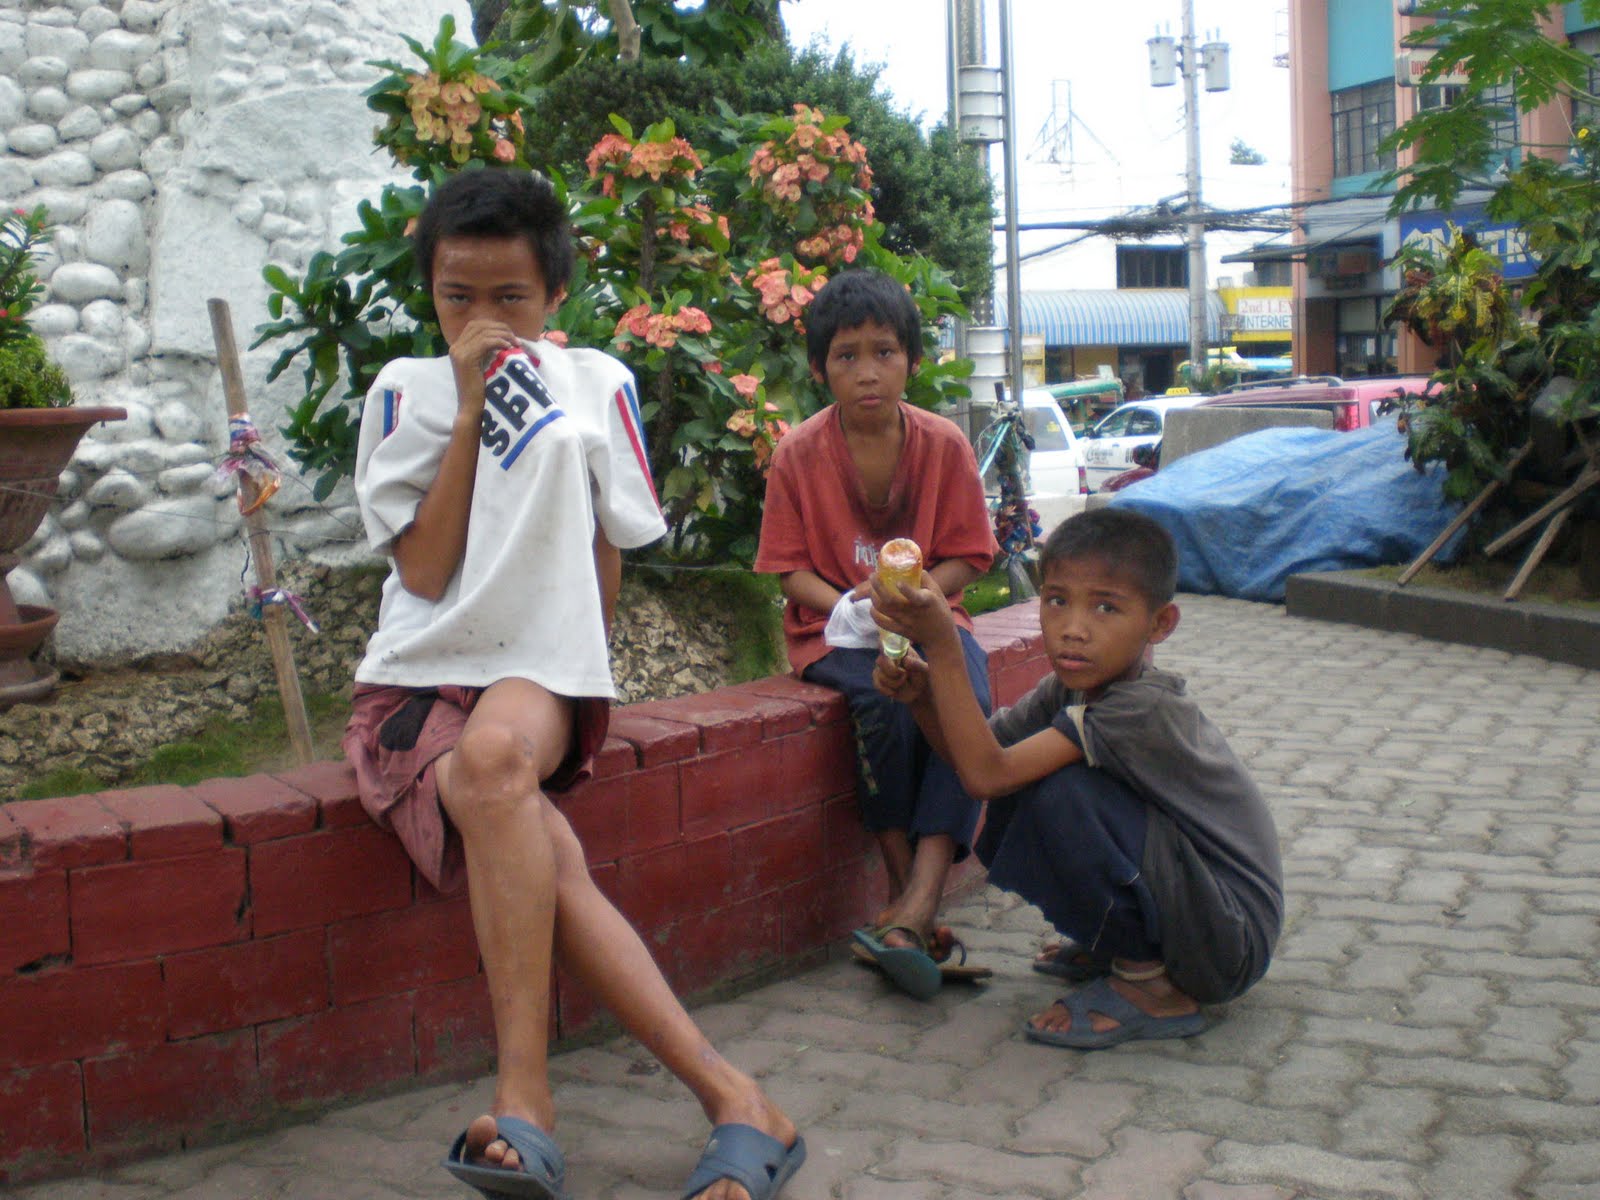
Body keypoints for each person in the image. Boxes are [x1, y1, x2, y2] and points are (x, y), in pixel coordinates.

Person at [342, 167, 804, 1200]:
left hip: (541, 671)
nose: (481, 317)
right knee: (529, 830)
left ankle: (525, 1097)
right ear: (430, 292)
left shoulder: (598, 380)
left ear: (554, 294)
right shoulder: (402, 393)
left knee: (500, 756)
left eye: (508, 295)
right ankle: (737, 1100)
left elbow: (609, 543)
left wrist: (584, 663)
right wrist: (467, 411)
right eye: (457, 294)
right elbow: (420, 572)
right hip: (419, 677)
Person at [869, 508, 1283, 1048]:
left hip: (1228, 940)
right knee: (1031, 792)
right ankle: (1122, 947)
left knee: (1062, 795)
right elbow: (983, 755)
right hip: (1196, 911)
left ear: (1159, 624)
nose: (1073, 629)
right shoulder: (1070, 690)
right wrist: (925, 697)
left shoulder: (1142, 708)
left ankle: (1152, 988)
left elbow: (985, 776)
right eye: (1057, 600)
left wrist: (943, 642)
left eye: (1107, 607)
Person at [753, 268, 999, 1001]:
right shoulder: (798, 453)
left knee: (963, 702)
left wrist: (919, 600)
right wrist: (851, 608)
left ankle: (913, 908)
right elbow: (786, 570)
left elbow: (968, 554)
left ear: (913, 361)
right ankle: (907, 906)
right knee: (887, 709)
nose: (867, 373)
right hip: (833, 635)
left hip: (931, 621)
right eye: (846, 355)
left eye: (885, 352)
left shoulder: (944, 443)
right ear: (819, 367)